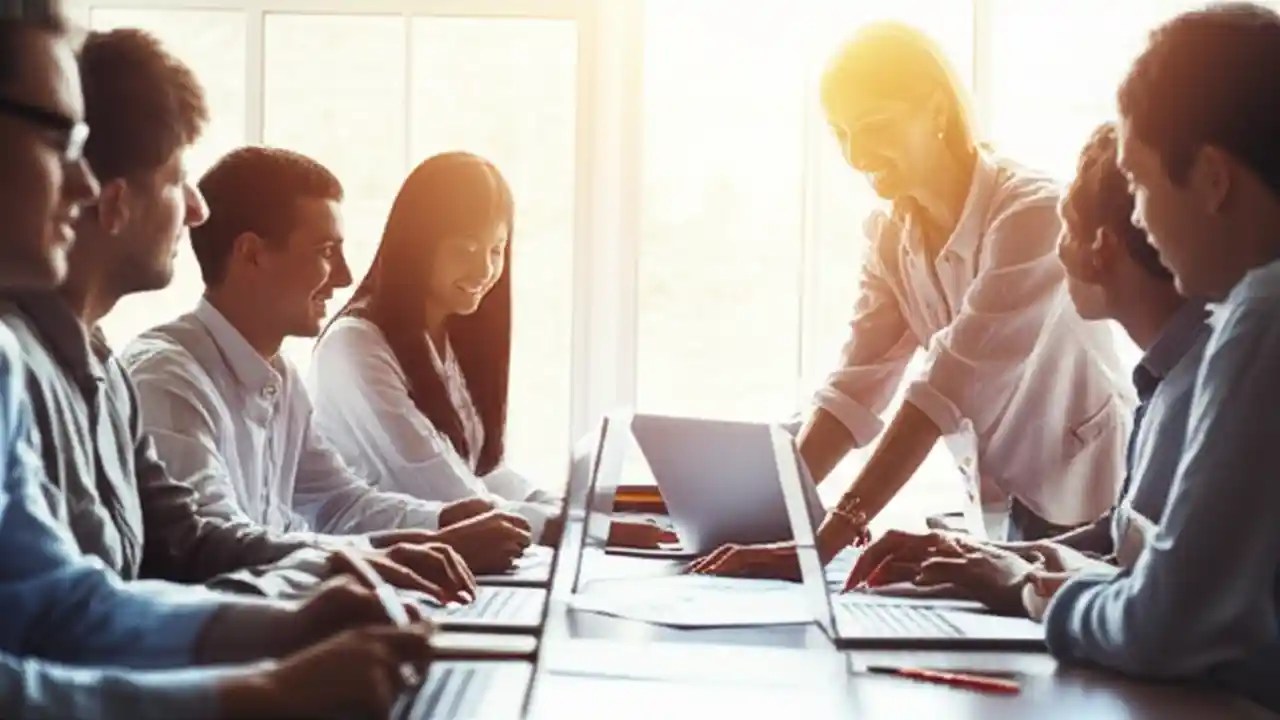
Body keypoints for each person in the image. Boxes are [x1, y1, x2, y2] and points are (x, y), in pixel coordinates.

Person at [0, 4, 430, 717]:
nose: (80, 187)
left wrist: (295, 620)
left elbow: (57, 605)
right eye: (58, 142)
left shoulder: (56, 367)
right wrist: (257, 692)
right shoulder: (146, 368)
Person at [691, 21, 1130, 579]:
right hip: (997, 503)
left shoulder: (1031, 216)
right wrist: (762, 517)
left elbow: (943, 391)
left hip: (1086, 499)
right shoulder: (891, 237)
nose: (856, 154)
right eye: (841, 133)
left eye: (875, 127)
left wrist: (820, 543)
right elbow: (854, 391)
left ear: (938, 112)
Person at [840, 122, 1210, 616]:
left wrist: (1027, 587)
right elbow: (1118, 539)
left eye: (1067, 227)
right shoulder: (1163, 383)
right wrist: (978, 555)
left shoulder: (1205, 391)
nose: (1057, 252)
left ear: (1099, 249)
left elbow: (1166, 606)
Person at [123, 145, 532, 575]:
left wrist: (444, 522)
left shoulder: (280, 377)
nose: (345, 276)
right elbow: (212, 545)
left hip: (283, 613)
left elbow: (339, 502)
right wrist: (394, 552)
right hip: (230, 632)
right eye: (325, 251)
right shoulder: (168, 378)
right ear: (252, 254)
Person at [1040, 4, 1280, 711]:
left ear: (1212, 177)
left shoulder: (1264, 314)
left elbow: (1173, 626)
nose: (1137, 216)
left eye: (1140, 180)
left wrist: (1058, 598)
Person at [307, 151, 671, 548]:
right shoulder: (355, 345)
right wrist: (576, 529)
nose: (484, 271)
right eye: (465, 248)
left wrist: (576, 511)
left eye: (495, 250)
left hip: (441, 558)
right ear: (417, 244)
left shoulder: (443, 339)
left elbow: (481, 473)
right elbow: (445, 491)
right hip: (375, 568)